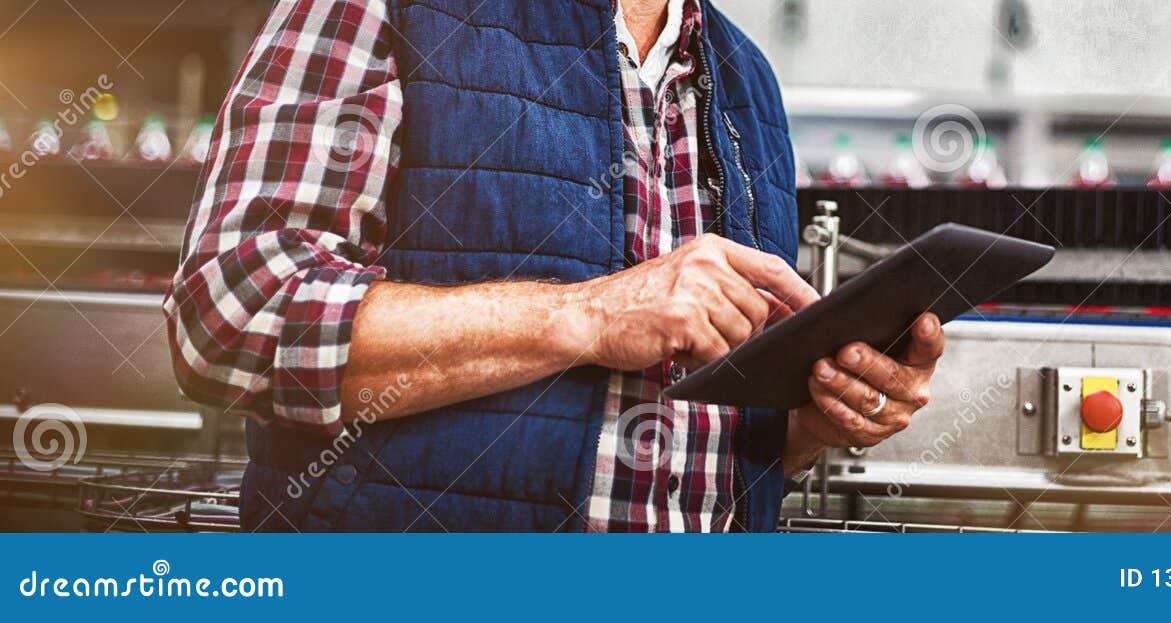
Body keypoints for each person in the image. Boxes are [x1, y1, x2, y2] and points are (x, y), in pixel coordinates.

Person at [163, 0, 945, 532]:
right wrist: (589, 315)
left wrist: (811, 423)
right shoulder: (388, 10)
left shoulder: (750, 84)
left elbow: (714, 452)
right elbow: (230, 312)